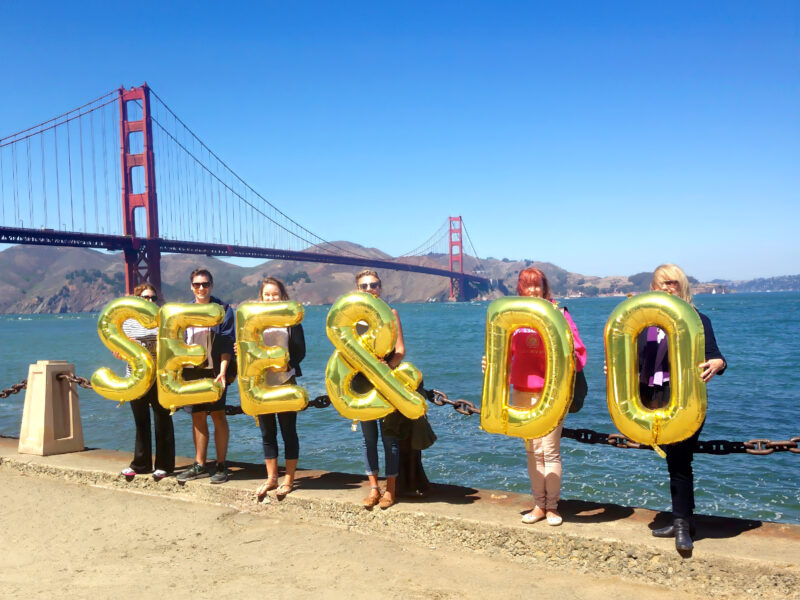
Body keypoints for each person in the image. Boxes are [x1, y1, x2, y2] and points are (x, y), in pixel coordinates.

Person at [484, 267, 587, 526]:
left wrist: (568, 356)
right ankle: (538, 504)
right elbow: (503, 352)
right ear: (520, 288)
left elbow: (579, 352)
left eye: (537, 285)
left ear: (544, 287)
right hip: (520, 390)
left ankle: (552, 507)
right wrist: (491, 363)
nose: (532, 290)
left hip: (552, 391)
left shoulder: (558, 313)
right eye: (527, 285)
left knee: (550, 451)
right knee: (533, 451)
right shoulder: (514, 316)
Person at [641, 264, 726, 552]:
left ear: (683, 287)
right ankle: (684, 521)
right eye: (661, 284)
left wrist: (718, 363)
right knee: (674, 462)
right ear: (653, 288)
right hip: (654, 399)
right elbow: (634, 360)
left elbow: (716, 357)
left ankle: (681, 525)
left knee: (680, 462)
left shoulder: (699, 320)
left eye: (673, 284)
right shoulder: (644, 324)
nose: (667, 288)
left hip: (687, 402)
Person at [176, 268, 236, 484]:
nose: (201, 288)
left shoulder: (224, 310)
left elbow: (227, 343)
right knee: (197, 416)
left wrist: (222, 371)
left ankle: (221, 465)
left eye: (205, 284)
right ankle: (200, 464)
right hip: (192, 371)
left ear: (212, 285)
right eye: (197, 284)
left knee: (218, 415)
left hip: (215, 371)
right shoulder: (183, 312)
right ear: (191, 287)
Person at [354, 269, 403, 509]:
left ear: (380, 288)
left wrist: (385, 369)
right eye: (364, 286)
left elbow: (400, 350)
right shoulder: (351, 319)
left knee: (389, 439)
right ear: (357, 290)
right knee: (368, 439)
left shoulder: (391, 313)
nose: (369, 289)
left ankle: (390, 490)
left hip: (385, 384)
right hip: (361, 383)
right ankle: (374, 488)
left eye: (373, 285)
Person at [254, 277, 306, 502]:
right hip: (261, 382)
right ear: (261, 297)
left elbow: (300, 350)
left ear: (282, 296)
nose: (271, 298)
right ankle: (271, 477)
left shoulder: (291, 320)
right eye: (267, 294)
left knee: (288, 432)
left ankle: (289, 479)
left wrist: (289, 364)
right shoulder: (254, 321)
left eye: (275, 294)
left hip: (285, 380)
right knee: (267, 433)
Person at [120, 283, 175, 480]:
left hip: (159, 378)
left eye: (153, 298)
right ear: (137, 300)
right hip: (136, 379)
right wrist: (119, 351)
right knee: (141, 422)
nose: (150, 301)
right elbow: (118, 348)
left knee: (163, 420)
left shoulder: (164, 320)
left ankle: (165, 465)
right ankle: (141, 464)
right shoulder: (127, 322)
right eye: (145, 297)